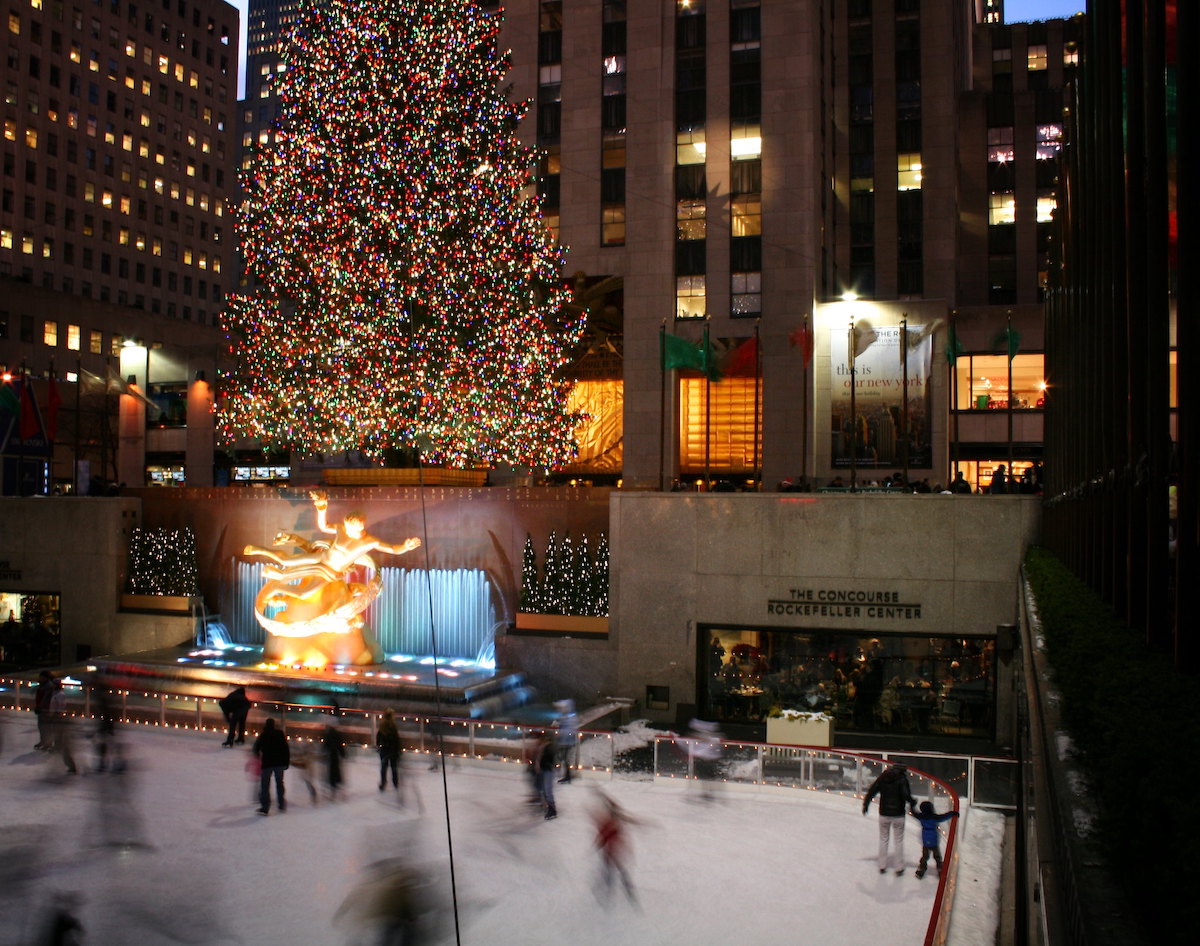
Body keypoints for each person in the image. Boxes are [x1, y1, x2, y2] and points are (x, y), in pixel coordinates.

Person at [862, 763, 916, 875]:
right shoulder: (902, 779)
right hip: (898, 815)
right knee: (898, 841)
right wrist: (913, 802)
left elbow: (872, 791)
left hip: (884, 814)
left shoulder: (883, 777)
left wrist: (866, 804)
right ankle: (899, 867)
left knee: (883, 839)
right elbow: (906, 795)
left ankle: (882, 865)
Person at [593, 790, 643, 903]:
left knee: (616, 870)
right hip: (611, 851)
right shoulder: (610, 822)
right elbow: (603, 836)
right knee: (613, 870)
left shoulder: (612, 820)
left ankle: (619, 888)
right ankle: (617, 888)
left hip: (615, 851)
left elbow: (603, 836)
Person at [910, 800, 960, 879]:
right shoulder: (935, 818)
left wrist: (912, 805)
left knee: (925, 856)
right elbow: (944, 816)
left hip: (925, 840)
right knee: (937, 856)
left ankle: (921, 868)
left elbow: (914, 813)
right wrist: (952, 813)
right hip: (934, 840)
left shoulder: (921, 817)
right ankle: (940, 869)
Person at [253, 717, 290, 815]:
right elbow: (286, 748)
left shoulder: (263, 735)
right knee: (279, 783)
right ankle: (281, 804)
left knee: (265, 785)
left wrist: (258, 756)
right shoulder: (280, 734)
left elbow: (256, 748)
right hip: (279, 763)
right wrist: (286, 762)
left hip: (267, 763)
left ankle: (265, 807)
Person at [553, 699, 579, 784]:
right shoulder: (567, 717)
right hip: (565, 741)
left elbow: (568, 729)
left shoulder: (569, 718)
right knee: (564, 758)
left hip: (566, 742)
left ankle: (567, 776)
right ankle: (567, 775)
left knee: (565, 758)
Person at [532, 732, 557, 820]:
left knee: (547, 790)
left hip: (547, 771)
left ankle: (552, 809)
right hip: (543, 770)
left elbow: (550, 759)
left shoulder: (548, 747)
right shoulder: (543, 747)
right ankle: (548, 806)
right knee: (543, 789)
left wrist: (545, 765)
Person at [377, 708, 402, 792]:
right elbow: (396, 739)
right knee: (393, 767)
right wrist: (399, 750)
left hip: (384, 749)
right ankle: (395, 782)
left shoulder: (382, 726)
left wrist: (379, 746)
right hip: (393, 750)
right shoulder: (393, 726)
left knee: (384, 767)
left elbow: (378, 737)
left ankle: (383, 782)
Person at [323, 719, 346, 800]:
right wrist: (343, 754)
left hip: (331, 755)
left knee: (332, 772)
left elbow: (326, 745)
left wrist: (324, 752)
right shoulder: (336, 734)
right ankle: (337, 785)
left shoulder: (329, 734)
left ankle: (333, 787)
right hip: (335, 755)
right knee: (336, 771)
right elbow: (340, 745)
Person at [34, 670, 55, 750]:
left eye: (42, 677)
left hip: (46, 709)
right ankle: (43, 741)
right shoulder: (42, 685)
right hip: (41, 708)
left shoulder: (48, 686)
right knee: (41, 726)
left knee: (46, 727)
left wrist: (40, 707)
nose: (40, 678)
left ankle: (48, 743)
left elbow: (46, 698)